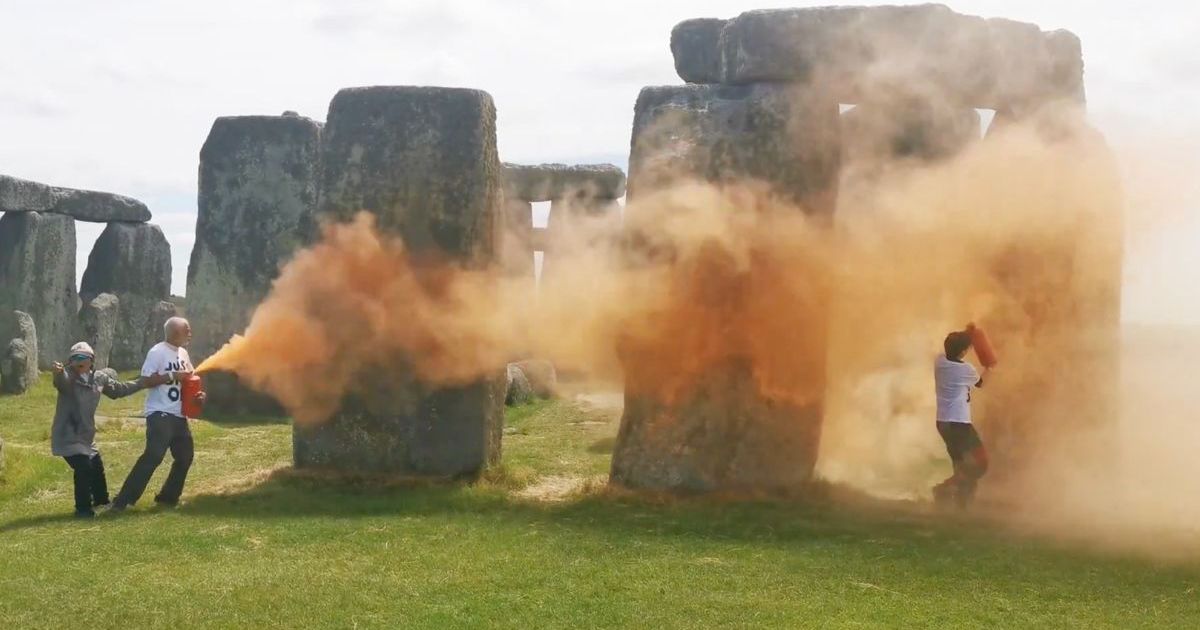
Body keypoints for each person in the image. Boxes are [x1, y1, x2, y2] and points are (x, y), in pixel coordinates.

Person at [51, 342, 171, 518]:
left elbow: (118, 390)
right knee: (83, 468)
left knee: (96, 466)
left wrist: (143, 382)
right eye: (75, 358)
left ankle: (101, 500)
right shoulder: (68, 377)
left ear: (91, 360)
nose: (79, 361)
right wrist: (59, 373)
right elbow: (61, 382)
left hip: (86, 435)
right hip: (67, 435)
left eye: (83, 357)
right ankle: (83, 509)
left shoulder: (99, 378)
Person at [111, 317, 206, 511]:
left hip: (179, 415)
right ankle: (123, 501)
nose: (190, 333)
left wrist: (198, 395)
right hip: (160, 413)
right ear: (174, 332)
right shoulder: (157, 352)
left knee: (185, 456)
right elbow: (145, 380)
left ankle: (167, 498)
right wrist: (171, 375)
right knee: (154, 456)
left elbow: (189, 381)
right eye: (186, 330)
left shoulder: (183, 353)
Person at [931, 328, 991, 509]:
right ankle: (942, 489)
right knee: (981, 464)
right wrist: (989, 367)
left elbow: (952, 349)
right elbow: (981, 383)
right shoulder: (965, 369)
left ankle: (962, 504)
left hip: (942, 423)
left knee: (960, 465)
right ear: (964, 351)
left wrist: (965, 335)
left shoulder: (939, 362)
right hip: (959, 424)